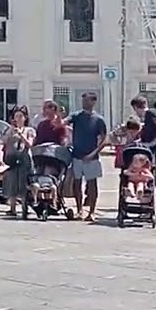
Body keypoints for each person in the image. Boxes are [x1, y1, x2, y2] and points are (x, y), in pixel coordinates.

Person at [64, 92, 109, 222]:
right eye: (83, 100)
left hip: (91, 157)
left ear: (93, 102)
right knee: (76, 183)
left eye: (87, 101)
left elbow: (104, 139)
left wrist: (94, 153)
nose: (84, 103)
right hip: (77, 155)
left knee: (92, 184)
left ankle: (92, 212)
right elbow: (64, 122)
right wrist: (59, 120)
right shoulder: (76, 116)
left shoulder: (99, 120)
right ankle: (79, 210)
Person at [131, 95, 156, 221]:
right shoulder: (146, 119)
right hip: (149, 153)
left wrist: (153, 143)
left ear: (136, 107)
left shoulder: (151, 113)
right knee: (146, 180)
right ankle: (147, 210)